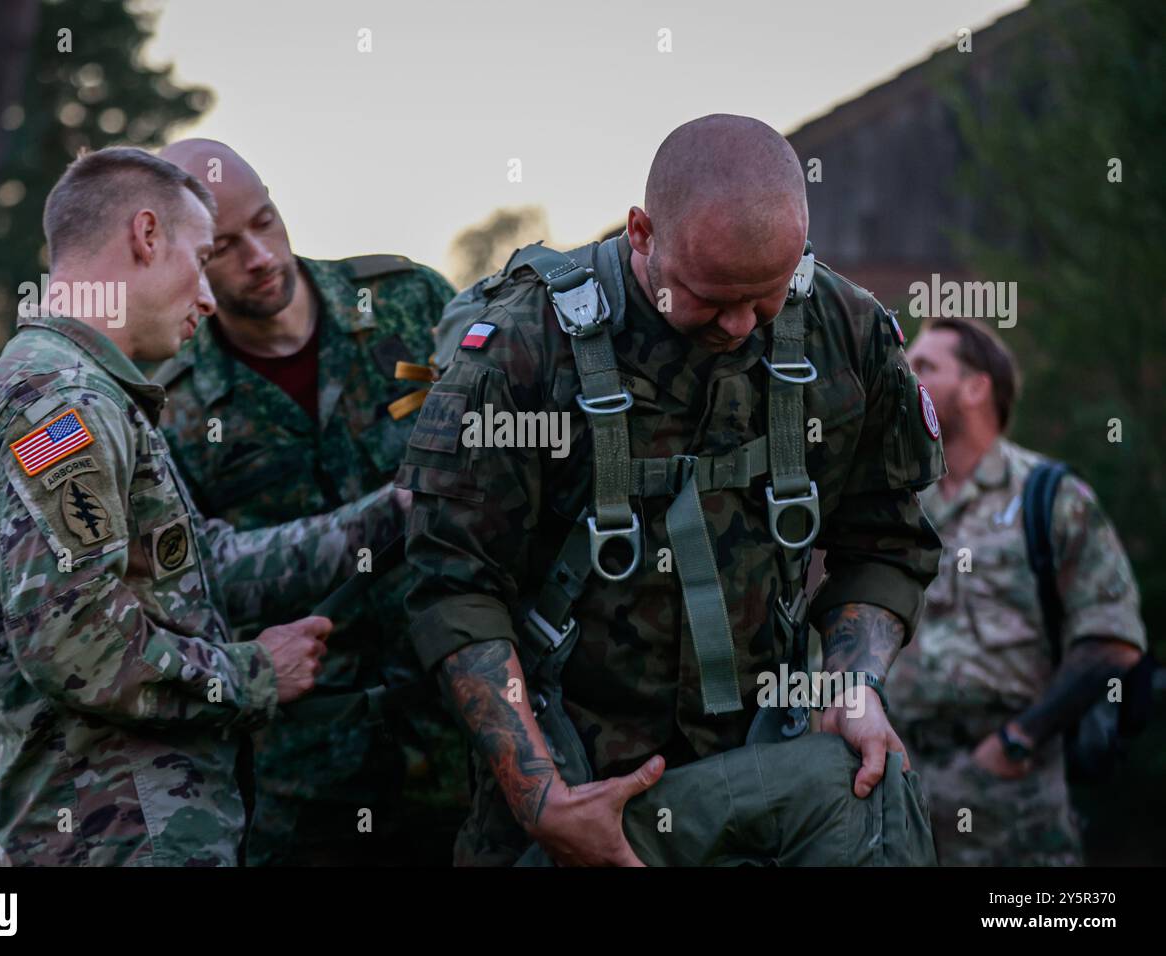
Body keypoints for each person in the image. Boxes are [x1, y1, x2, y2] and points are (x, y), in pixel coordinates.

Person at [396, 114, 946, 866]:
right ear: (642, 232)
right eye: (711, 296)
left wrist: (855, 685)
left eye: (768, 296)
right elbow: (453, 585)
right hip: (576, 777)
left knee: (882, 807)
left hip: (766, 761)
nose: (740, 324)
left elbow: (887, 541)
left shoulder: (846, 336)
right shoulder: (524, 349)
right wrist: (541, 796)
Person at [0, 146, 406, 866]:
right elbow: (76, 642)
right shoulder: (65, 405)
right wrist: (254, 674)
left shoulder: (78, 390)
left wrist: (389, 517)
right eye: (203, 259)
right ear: (146, 235)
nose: (209, 296)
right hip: (118, 837)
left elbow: (194, 566)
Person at [154, 139, 467, 866]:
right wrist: (392, 508)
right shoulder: (174, 403)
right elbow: (199, 579)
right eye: (223, 248)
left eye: (266, 221)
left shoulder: (407, 300)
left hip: (459, 721)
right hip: (303, 768)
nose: (260, 256)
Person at [885, 316, 1146, 866]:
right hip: (899, 799)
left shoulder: (1050, 497)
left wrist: (1015, 743)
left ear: (977, 388)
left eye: (926, 366)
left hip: (1014, 806)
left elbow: (1113, 640)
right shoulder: (897, 507)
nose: (907, 376)